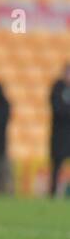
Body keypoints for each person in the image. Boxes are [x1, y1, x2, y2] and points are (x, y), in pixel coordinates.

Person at [52, 64, 70, 197]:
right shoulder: (58, 88)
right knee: (57, 163)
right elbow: (57, 109)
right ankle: (53, 192)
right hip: (60, 135)